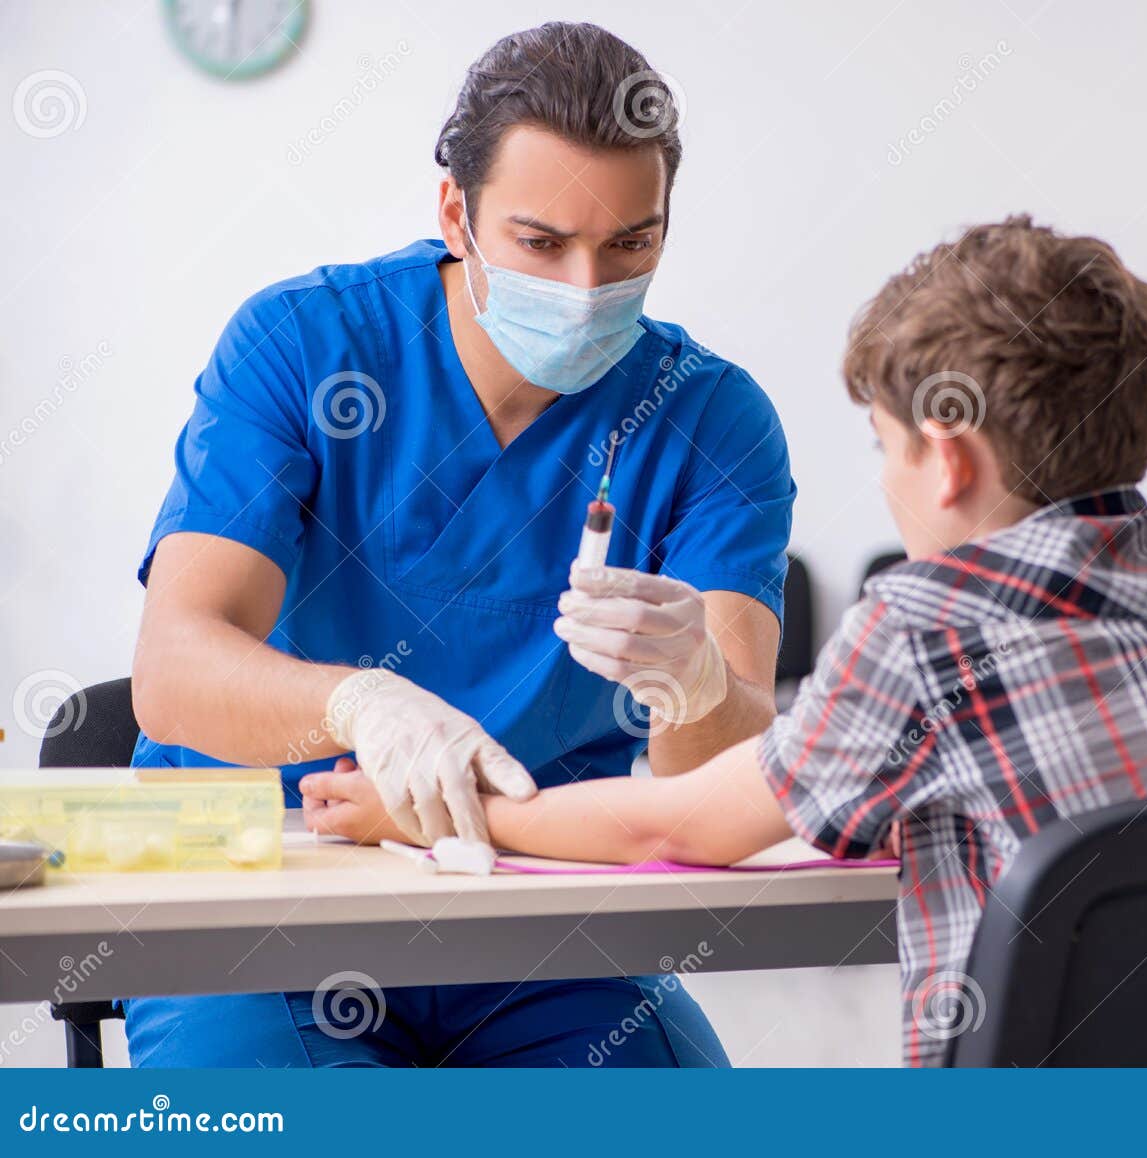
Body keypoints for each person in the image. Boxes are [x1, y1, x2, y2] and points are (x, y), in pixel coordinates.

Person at [305, 215, 1147, 1066]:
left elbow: (672, 823)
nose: (880, 479)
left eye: (882, 446)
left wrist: (423, 806)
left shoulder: (922, 628)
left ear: (949, 459)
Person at [124, 23, 794, 1067]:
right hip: (263, 895)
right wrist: (357, 702)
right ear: (457, 213)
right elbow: (172, 672)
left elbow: (725, 789)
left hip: (538, 917)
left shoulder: (709, 418)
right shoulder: (306, 346)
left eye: (629, 246)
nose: (584, 291)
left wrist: (698, 687)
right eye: (540, 243)